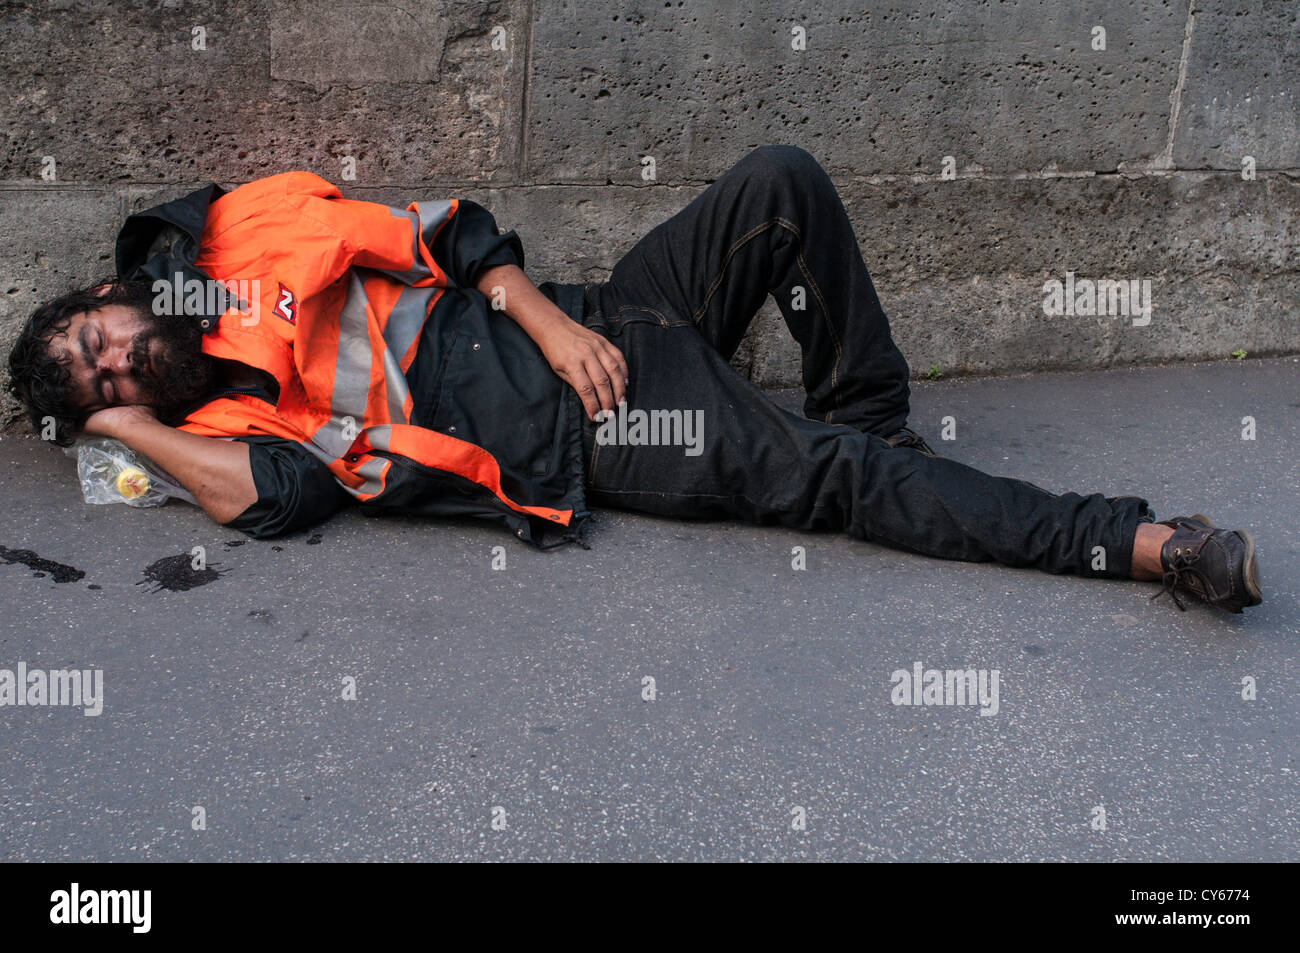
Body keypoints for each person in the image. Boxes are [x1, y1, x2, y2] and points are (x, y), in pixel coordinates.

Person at [6, 146, 1262, 612]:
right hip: (598, 421)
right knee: (829, 479)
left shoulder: (244, 229)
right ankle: (1143, 543)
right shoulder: (219, 418)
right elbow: (270, 499)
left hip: (598, 318)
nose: (115, 354)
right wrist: (121, 423)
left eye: (97, 333)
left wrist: (551, 322)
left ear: (107, 290)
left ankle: (874, 420)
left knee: (781, 187)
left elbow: (447, 231)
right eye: (98, 378)